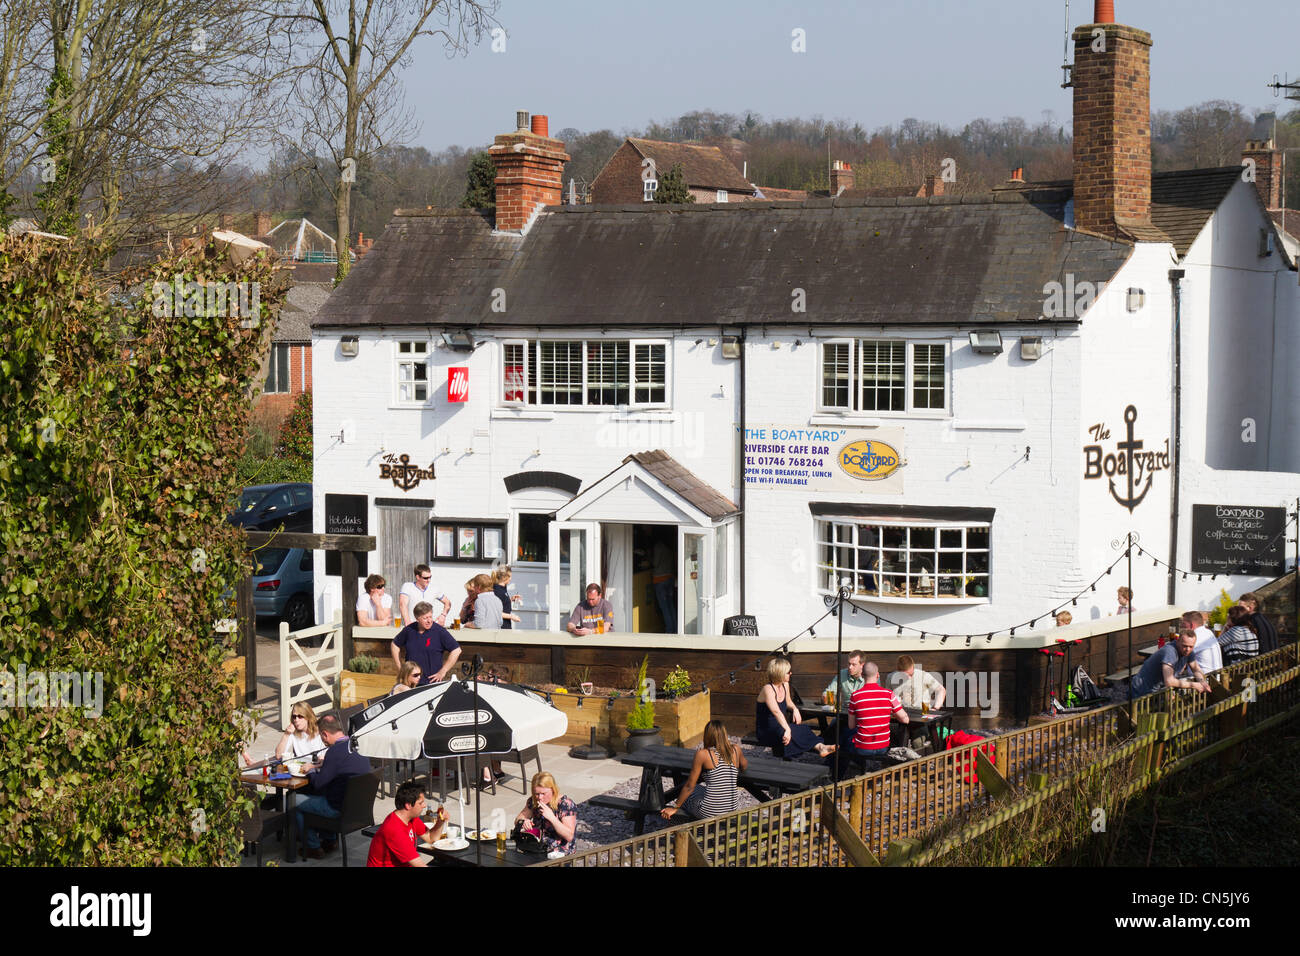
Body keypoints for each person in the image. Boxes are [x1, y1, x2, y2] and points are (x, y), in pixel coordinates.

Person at [297, 713, 373, 859]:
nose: (322, 740)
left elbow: (318, 784)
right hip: (358, 809)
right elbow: (342, 768)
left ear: (325, 734)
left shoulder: (334, 751)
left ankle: (312, 847)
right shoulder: (357, 745)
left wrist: (310, 770)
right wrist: (325, 764)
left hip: (338, 810)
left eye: (321, 736)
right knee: (326, 793)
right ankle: (329, 840)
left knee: (292, 801)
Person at [661, 720, 747, 821]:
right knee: (698, 790)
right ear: (724, 734)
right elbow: (744, 765)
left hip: (710, 811)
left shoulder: (703, 754)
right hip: (732, 808)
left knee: (685, 795)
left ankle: (694, 829)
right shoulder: (736, 749)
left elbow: (689, 786)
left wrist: (675, 808)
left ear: (707, 735)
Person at [754, 656, 836, 759]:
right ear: (780, 673)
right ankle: (788, 756)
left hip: (780, 725)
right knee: (790, 732)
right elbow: (776, 711)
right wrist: (787, 729)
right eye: (788, 672)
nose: (791, 673)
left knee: (804, 728)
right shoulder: (768, 689)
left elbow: (788, 701)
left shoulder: (785, 685)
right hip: (766, 730)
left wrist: (795, 709)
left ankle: (821, 747)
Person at [366, 780, 448, 867]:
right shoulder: (395, 830)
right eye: (420, 803)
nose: (424, 805)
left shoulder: (410, 817)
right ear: (408, 805)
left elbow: (431, 838)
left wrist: (440, 822)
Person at [390, 602, 461, 685]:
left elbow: (456, 650)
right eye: (425, 618)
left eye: (430, 617)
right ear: (417, 618)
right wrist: (400, 669)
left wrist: (443, 671)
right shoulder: (409, 630)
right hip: (410, 683)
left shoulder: (439, 631)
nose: (429, 621)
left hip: (431, 683)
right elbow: (394, 645)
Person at [848, 662, 908, 760]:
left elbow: (851, 726)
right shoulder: (889, 694)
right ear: (878, 675)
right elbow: (905, 720)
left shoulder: (855, 696)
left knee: (844, 738)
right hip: (883, 747)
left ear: (862, 676)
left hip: (863, 748)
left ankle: (839, 772)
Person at [1130, 629, 1210, 697]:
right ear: (1177, 641)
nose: (1188, 649)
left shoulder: (1189, 652)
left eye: (1191, 646)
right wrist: (1194, 685)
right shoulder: (1170, 651)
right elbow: (1169, 681)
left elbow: (1196, 669)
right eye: (1185, 646)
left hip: (1158, 690)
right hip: (1141, 691)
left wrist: (1202, 681)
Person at [515, 772, 578, 856]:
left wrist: (551, 818)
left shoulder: (565, 804)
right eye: (536, 793)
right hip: (537, 847)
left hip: (559, 851)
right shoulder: (534, 801)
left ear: (553, 790)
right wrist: (524, 821)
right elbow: (517, 820)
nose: (540, 797)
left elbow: (569, 836)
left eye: (543, 793)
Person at [822, 650, 867, 750]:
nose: (850, 667)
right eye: (849, 664)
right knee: (830, 732)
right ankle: (832, 760)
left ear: (862, 665)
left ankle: (847, 761)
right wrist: (828, 700)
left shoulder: (869, 676)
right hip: (844, 715)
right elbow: (829, 692)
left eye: (853, 664)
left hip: (862, 718)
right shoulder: (843, 674)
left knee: (847, 735)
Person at [1182, 610, 1222, 675]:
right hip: (1215, 676)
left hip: (1205, 679)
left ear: (1192, 625)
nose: (1181, 627)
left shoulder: (1196, 636)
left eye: (1184, 624)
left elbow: (1180, 654)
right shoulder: (1208, 632)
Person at [651, 537, 676, 633]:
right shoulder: (669, 545)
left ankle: (669, 631)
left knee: (664, 607)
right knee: (670, 605)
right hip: (670, 578)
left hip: (660, 579)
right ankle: (675, 629)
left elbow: (655, 563)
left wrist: (649, 556)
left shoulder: (658, 547)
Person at [492, 566, 524, 630]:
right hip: (500, 627)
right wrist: (512, 617)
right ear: (504, 577)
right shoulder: (497, 591)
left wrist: (511, 599)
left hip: (506, 625)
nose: (510, 579)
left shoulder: (503, 588)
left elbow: (501, 603)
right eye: (510, 576)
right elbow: (496, 612)